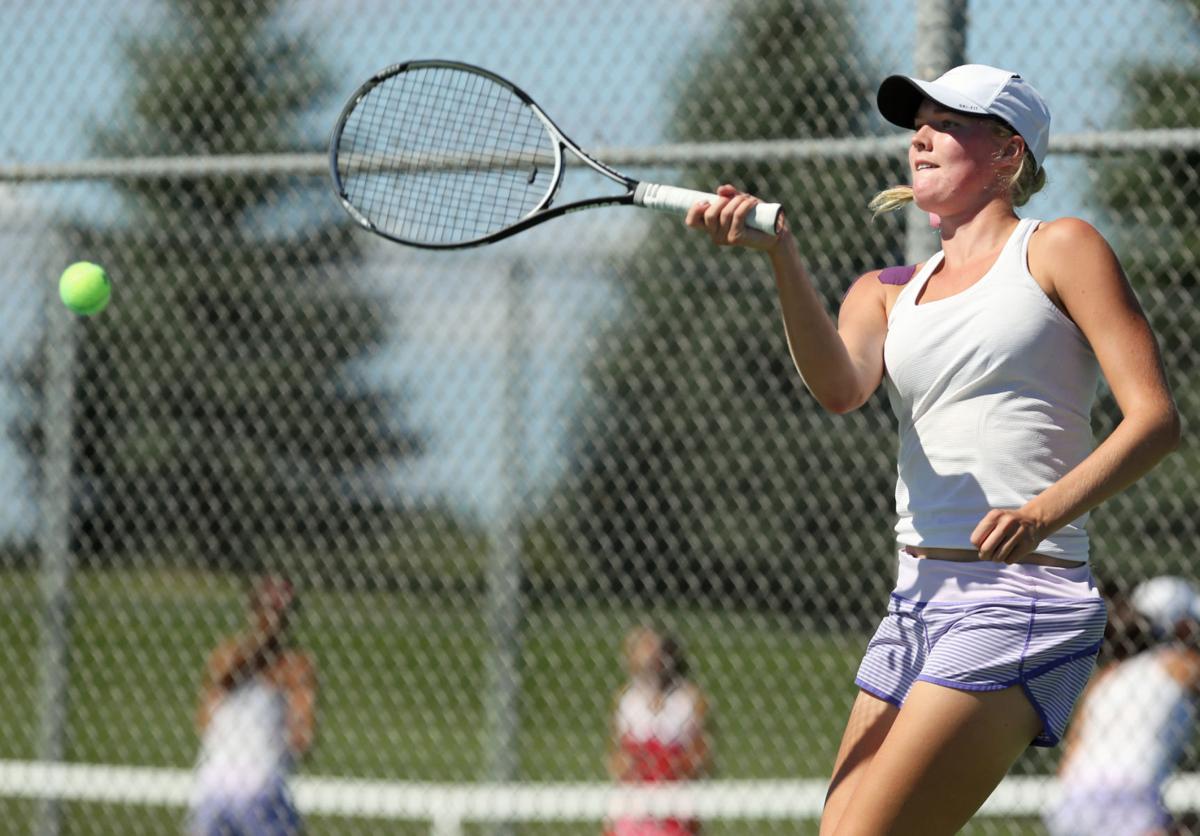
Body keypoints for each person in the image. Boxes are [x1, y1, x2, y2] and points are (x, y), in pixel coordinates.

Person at [683, 63, 1180, 834]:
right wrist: (781, 253)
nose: (921, 135)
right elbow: (841, 387)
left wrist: (1043, 511)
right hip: (915, 605)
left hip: (1025, 600)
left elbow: (1154, 420)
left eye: (949, 122)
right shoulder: (885, 290)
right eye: (918, 120)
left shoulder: (1061, 249)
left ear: (1009, 154)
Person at [1046, 576, 1200, 836]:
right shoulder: (1182, 666)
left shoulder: (1106, 676)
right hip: (1131, 798)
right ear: (1184, 625)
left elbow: (1072, 745)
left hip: (1070, 799)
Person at [189, 576, 317, 836]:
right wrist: (261, 643)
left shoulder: (293, 666)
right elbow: (211, 704)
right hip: (233, 786)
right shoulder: (232, 656)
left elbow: (301, 736)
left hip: (238, 786)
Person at [605, 626, 711, 836]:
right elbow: (616, 757)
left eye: (655, 648)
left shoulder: (688, 699)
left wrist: (673, 764)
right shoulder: (627, 700)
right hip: (634, 791)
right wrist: (630, 764)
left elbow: (701, 755)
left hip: (673, 792)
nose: (650, 655)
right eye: (643, 648)